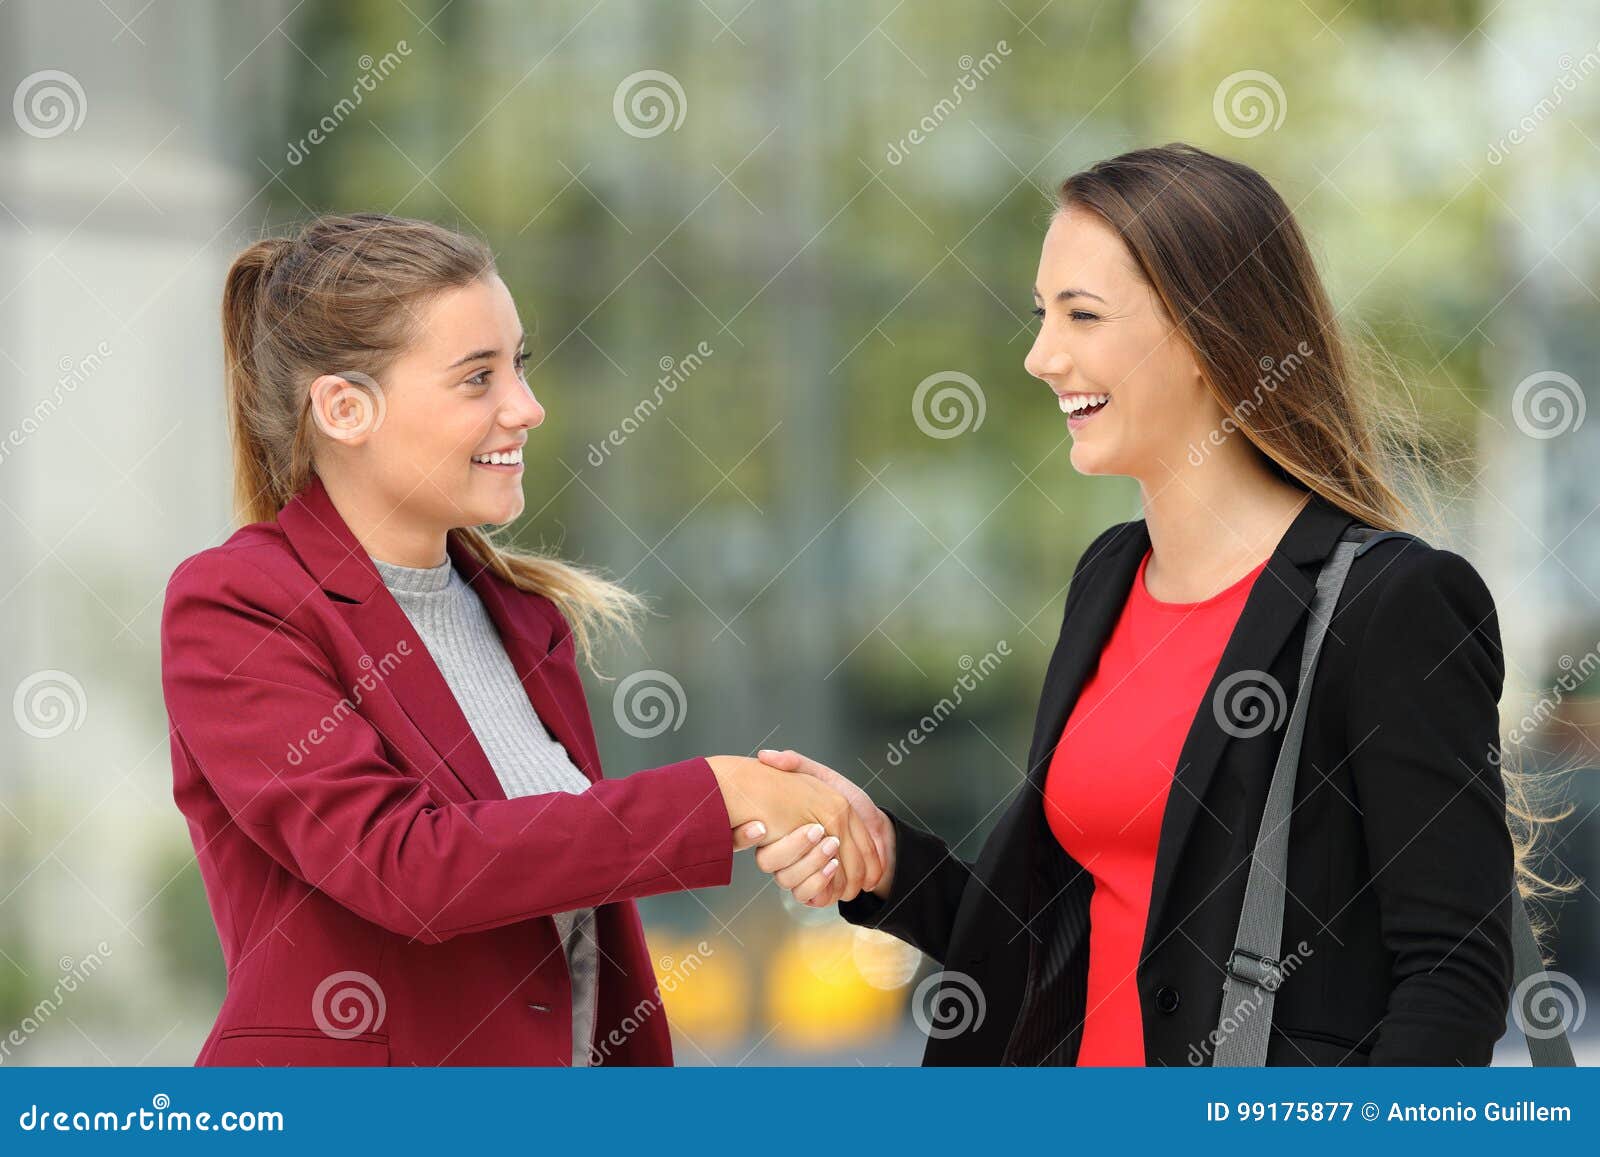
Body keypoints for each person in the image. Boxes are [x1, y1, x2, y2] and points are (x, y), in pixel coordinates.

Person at [752, 142, 1555, 1067]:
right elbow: (1057, 932)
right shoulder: (1108, 577)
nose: (1041, 355)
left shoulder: (1391, 602)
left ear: (1211, 337)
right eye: (1042, 315)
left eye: (1082, 315)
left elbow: (1453, 973)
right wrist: (886, 857)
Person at [160, 212, 881, 1067]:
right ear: (345, 408)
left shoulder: (516, 612)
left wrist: (765, 814)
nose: (526, 408)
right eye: (477, 378)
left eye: (519, 367)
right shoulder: (239, 604)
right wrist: (715, 796)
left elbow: (559, 879)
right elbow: (408, 866)